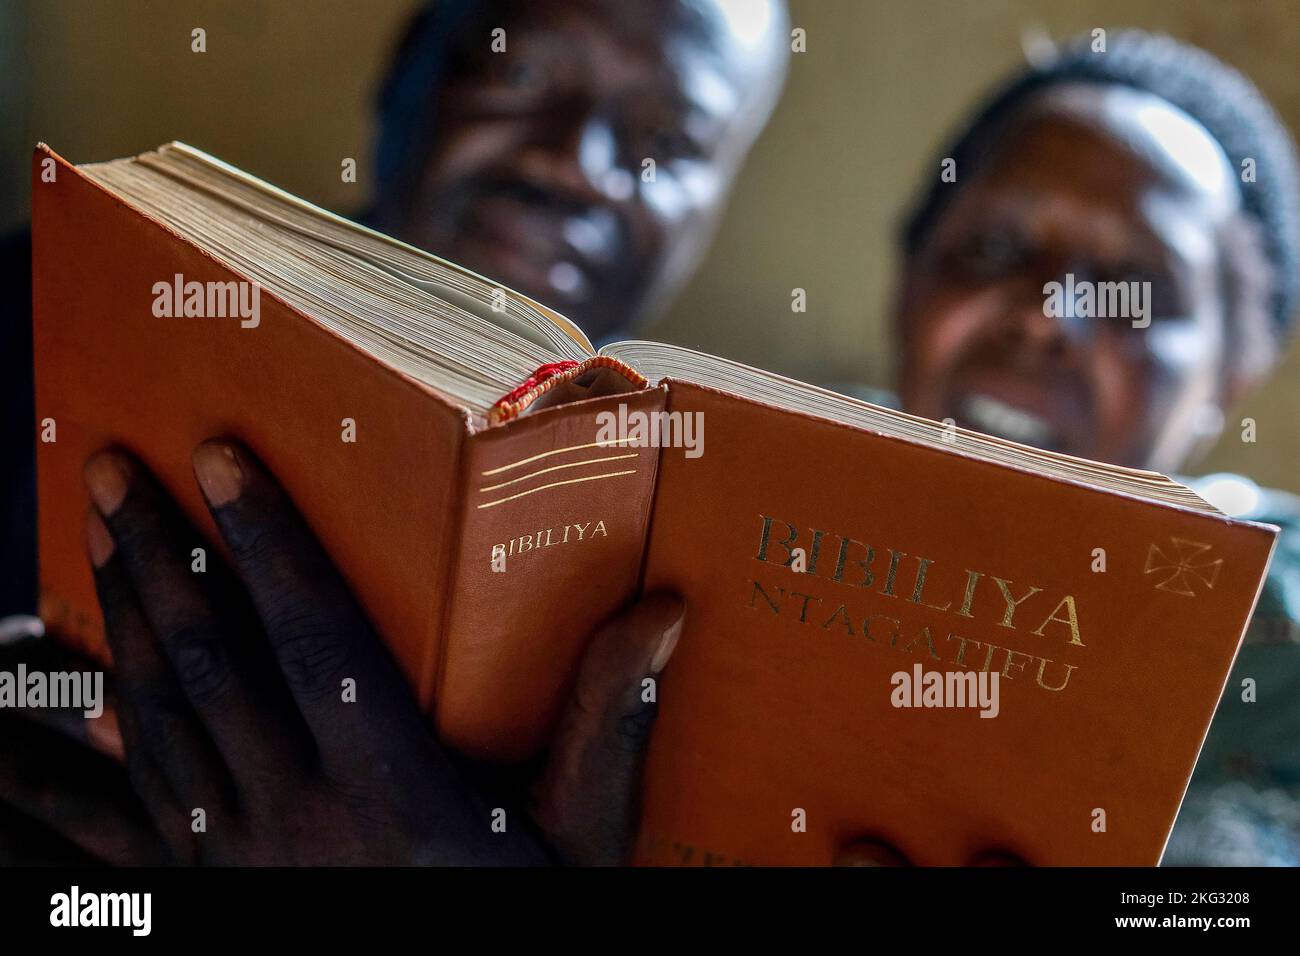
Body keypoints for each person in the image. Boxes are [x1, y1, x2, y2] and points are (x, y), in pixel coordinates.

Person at [0, 0, 789, 863]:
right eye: (519, 75)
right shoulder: (57, 306)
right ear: (405, 77)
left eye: (668, 144)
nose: (572, 165)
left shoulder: (708, 536)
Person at [886, 30, 1300, 864]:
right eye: (994, 248)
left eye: (1136, 292)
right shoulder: (702, 504)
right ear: (909, 280)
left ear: (1229, 377)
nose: (1043, 316)